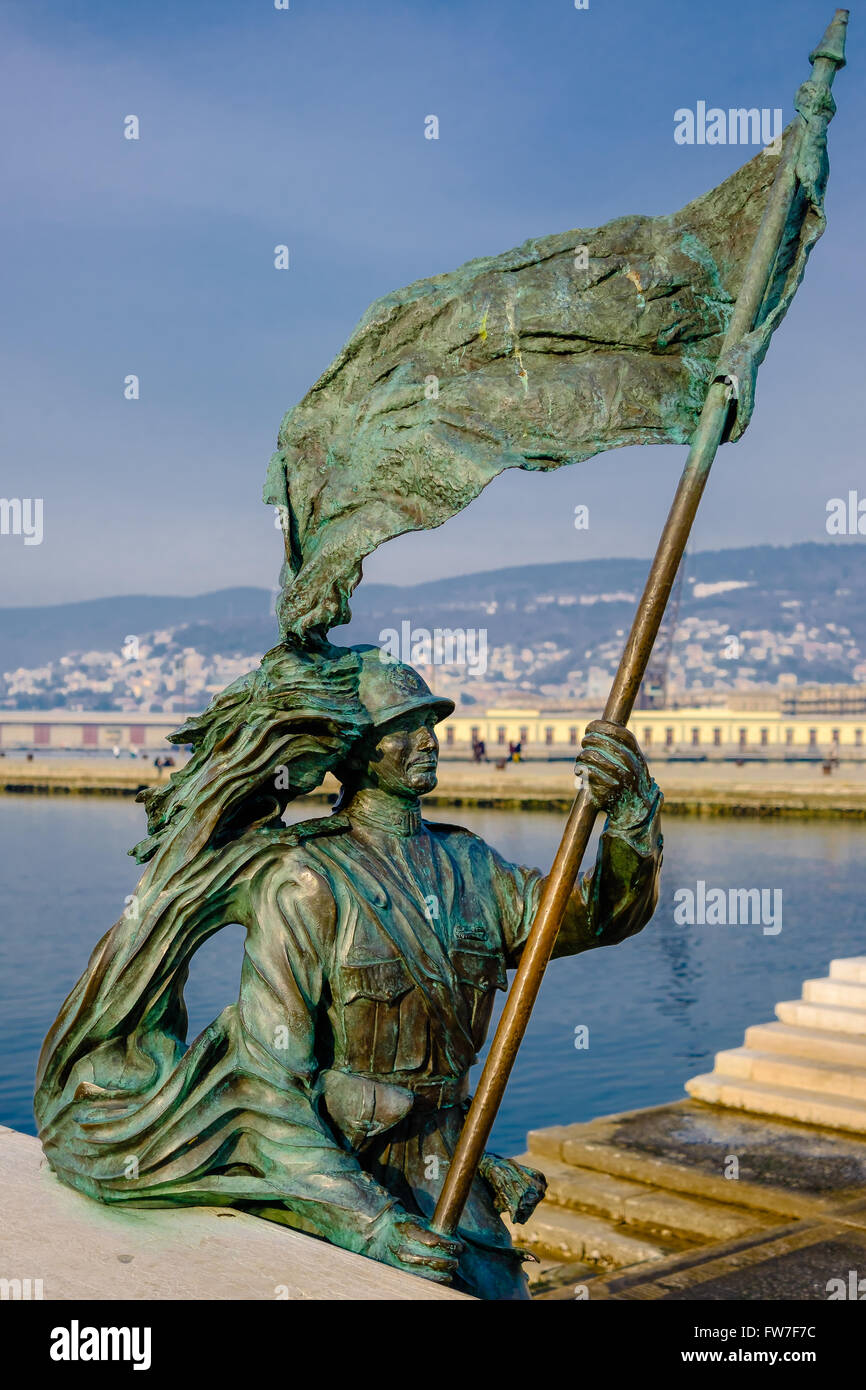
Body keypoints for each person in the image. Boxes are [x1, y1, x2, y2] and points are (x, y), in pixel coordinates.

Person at [36, 644, 662, 1300]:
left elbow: (594, 917)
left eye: (430, 725)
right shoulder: (307, 879)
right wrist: (372, 1225)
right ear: (357, 751)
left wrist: (630, 814)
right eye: (403, 729)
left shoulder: (473, 865)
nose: (428, 740)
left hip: (450, 1167)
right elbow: (269, 1084)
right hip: (343, 1176)